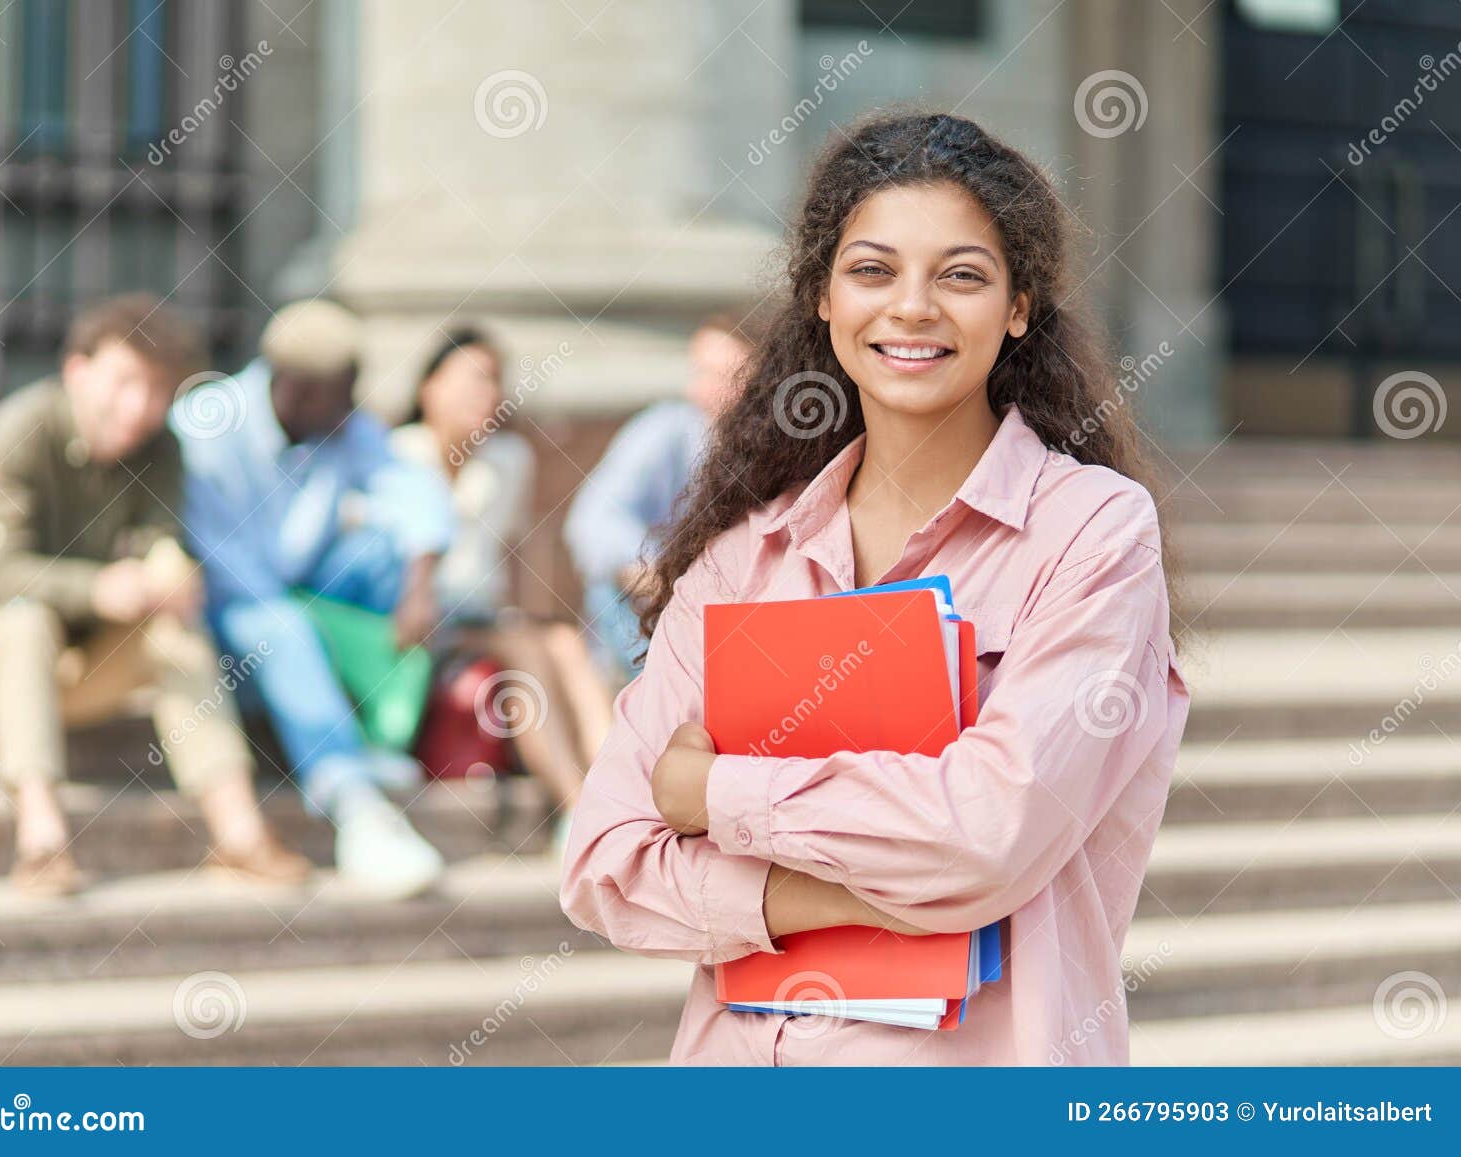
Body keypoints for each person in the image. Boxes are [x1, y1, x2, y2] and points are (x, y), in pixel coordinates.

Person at [559, 111, 1190, 1065]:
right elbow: (604, 862)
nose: (913, 307)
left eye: (963, 275)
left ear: (1020, 305)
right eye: (872, 270)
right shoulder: (743, 560)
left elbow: (989, 832)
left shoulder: (1091, 533)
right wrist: (844, 894)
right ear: (821, 295)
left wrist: (716, 791)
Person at [0, 294, 310, 895]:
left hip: (79, 667)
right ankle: (42, 841)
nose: (140, 407)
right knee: (26, 624)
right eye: (126, 380)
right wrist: (97, 588)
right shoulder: (19, 430)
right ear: (77, 370)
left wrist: (171, 573)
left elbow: (162, 538)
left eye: (159, 391)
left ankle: (239, 834)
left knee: (177, 633)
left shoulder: (161, 450)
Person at [175, 300, 453, 897]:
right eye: (341, 393)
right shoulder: (208, 425)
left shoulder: (343, 424)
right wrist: (296, 617)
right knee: (279, 625)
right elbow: (231, 571)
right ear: (295, 389)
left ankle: (386, 730)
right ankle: (356, 806)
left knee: (385, 555)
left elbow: (412, 489)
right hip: (230, 618)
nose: (354, 409)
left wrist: (421, 583)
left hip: (296, 590)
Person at [391, 327, 613, 847]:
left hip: (484, 619)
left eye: (493, 381)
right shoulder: (398, 457)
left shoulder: (509, 460)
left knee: (564, 644)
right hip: (420, 625)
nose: (485, 394)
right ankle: (578, 808)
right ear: (429, 388)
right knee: (525, 649)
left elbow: (512, 561)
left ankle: (613, 798)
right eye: (471, 379)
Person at [563, 313, 753, 683]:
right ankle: (658, 701)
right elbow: (592, 521)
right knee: (612, 586)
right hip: (667, 605)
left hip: (738, 615)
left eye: (720, 376)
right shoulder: (666, 428)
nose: (697, 391)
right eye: (699, 372)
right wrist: (663, 575)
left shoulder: (781, 448)